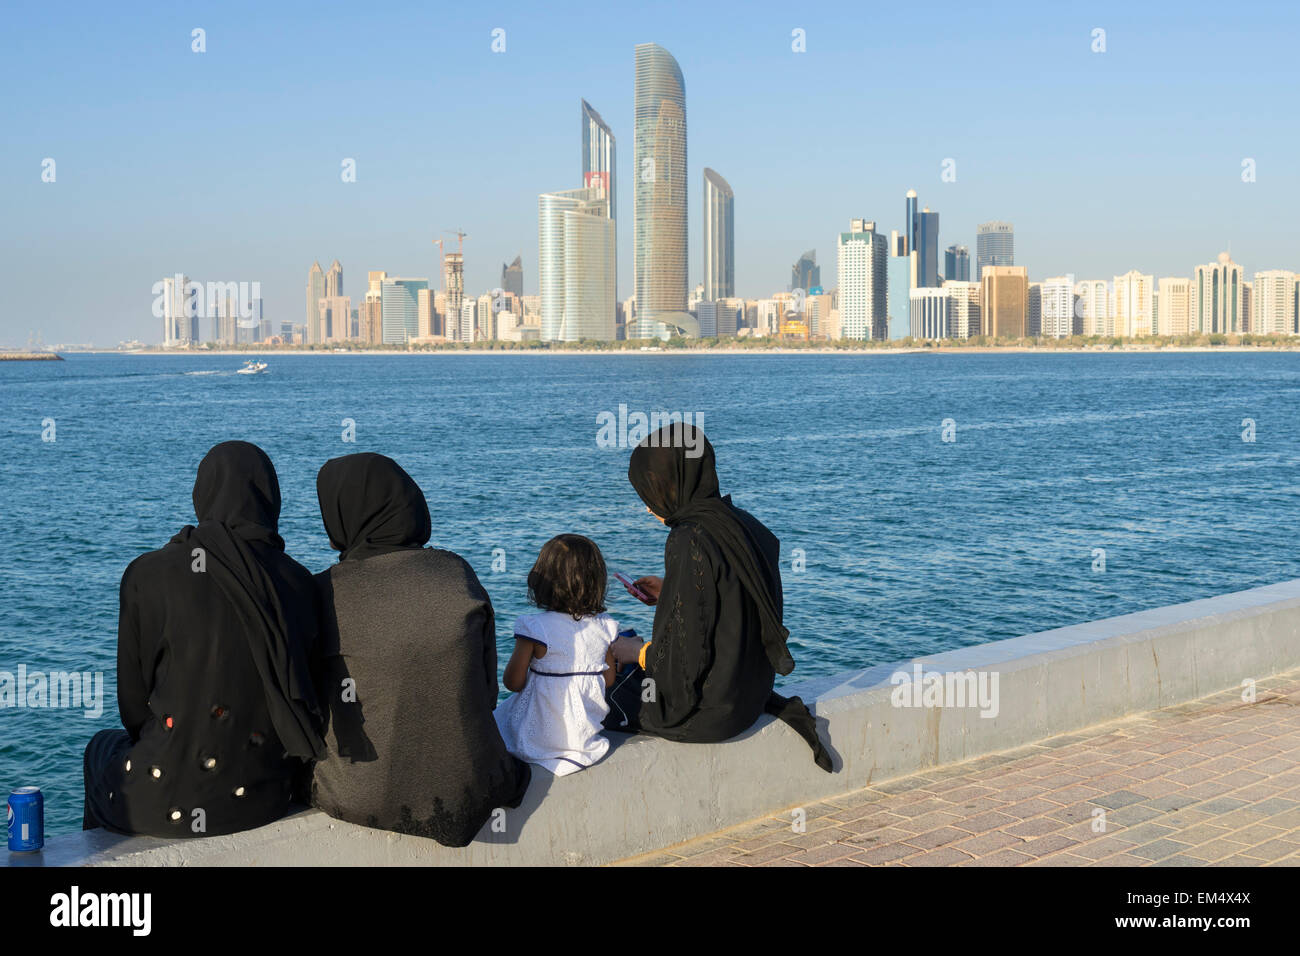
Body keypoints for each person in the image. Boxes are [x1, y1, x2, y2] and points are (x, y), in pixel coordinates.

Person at [83, 441, 326, 837]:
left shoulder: (148, 573)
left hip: (159, 801)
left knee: (100, 748)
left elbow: (133, 710)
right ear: (269, 498)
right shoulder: (298, 582)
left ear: (204, 493)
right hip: (262, 799)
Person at [310, 452, 530, 846]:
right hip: (476, 783)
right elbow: (486, 689)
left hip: (363, 794)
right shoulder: (456, 572)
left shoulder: (322, 591)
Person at [607, 424, 832, 771]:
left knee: (599, 691)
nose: (649, 506)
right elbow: (732, 600)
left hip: (711, 713)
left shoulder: (687, 538)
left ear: (676, 481)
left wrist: (636, 652)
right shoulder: (742, 524)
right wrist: (672, 591)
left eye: (653, 489)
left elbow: (684, 665)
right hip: (749, 696)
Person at [494, 534, 618, 776]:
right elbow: (609, 680)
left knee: (496, 722)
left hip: (539, 735)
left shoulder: (534, 628)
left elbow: (513, 683)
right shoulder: (605, 627)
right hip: (582, 735)